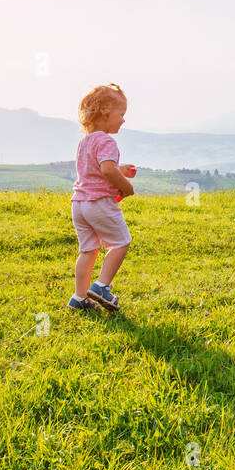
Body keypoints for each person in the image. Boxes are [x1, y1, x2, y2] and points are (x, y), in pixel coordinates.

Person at [68, 83, 136, 311]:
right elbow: (107, 170)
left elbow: (96, 169)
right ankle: (101, 287)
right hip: (99, 203)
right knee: (121, 243)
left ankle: (79, 298)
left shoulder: (85, 141)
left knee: (88, 250)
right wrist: (126, 186)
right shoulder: (107, 141)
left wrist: (121, 170)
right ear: (106, 111)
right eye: (121, 114)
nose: (123, 120)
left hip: (79, 204)